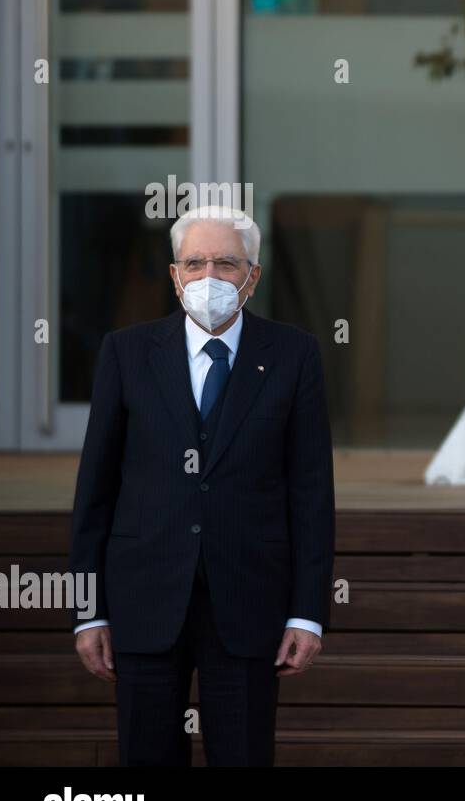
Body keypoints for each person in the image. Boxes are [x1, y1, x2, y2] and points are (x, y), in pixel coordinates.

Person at [69, 204, 335, 766]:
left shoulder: (293, 355)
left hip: (247, 601)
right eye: (194, 263)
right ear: (174, 274)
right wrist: (88, 610)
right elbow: (95, 489)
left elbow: (312, 495)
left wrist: (307, 612)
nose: (208, 277)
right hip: (142, 599)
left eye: (226, 263)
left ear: (253, 276)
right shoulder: (127, 352)